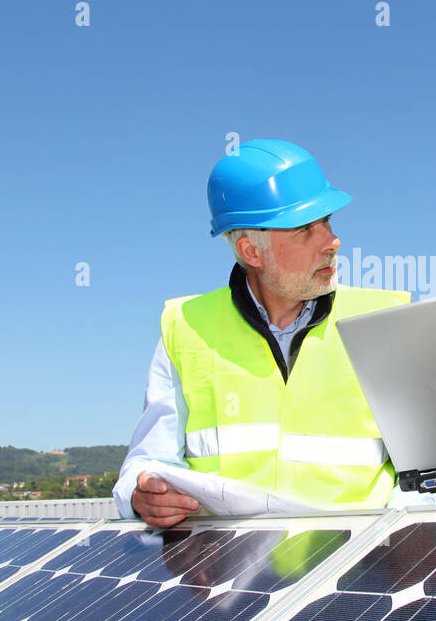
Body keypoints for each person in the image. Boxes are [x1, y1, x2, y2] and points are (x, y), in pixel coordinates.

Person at [113, 139, 409, 525]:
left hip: (358, 570)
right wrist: (141, 494)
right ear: (252, 252)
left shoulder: (384, 319)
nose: (332, 243)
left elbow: (429, 469)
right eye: (306, 230)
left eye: (328, 223)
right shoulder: (185, 326)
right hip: (227, 572)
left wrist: (401, 531)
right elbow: (149, 460)